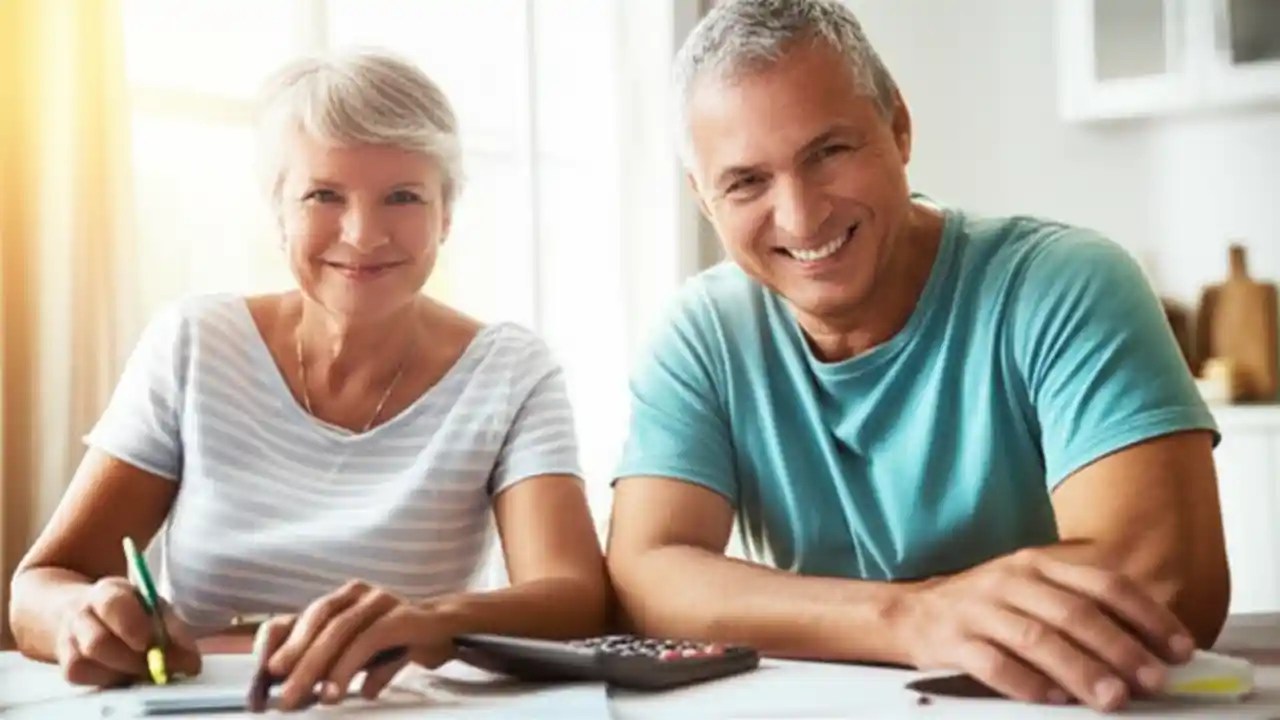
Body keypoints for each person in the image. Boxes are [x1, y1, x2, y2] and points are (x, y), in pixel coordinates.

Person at [605, 0, 1229, 712]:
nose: (802, 216)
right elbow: (645, 576)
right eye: (747, 181)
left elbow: (1162, 581)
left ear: (898, 129)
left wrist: (827, 616)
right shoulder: (701, 334)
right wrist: (912, 617)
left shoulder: (1065, 283)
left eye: (828, 152)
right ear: (705, 199)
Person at [9, 49, 608, 711]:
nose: (362, 234)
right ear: (280, 213)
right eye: (324, 195)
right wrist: (83, 617)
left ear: (446, 215)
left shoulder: (511, 371)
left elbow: (576, 597)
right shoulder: (195, 342)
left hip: (398, 707)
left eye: (403, 197)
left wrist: (432, 620)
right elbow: (42, 584)